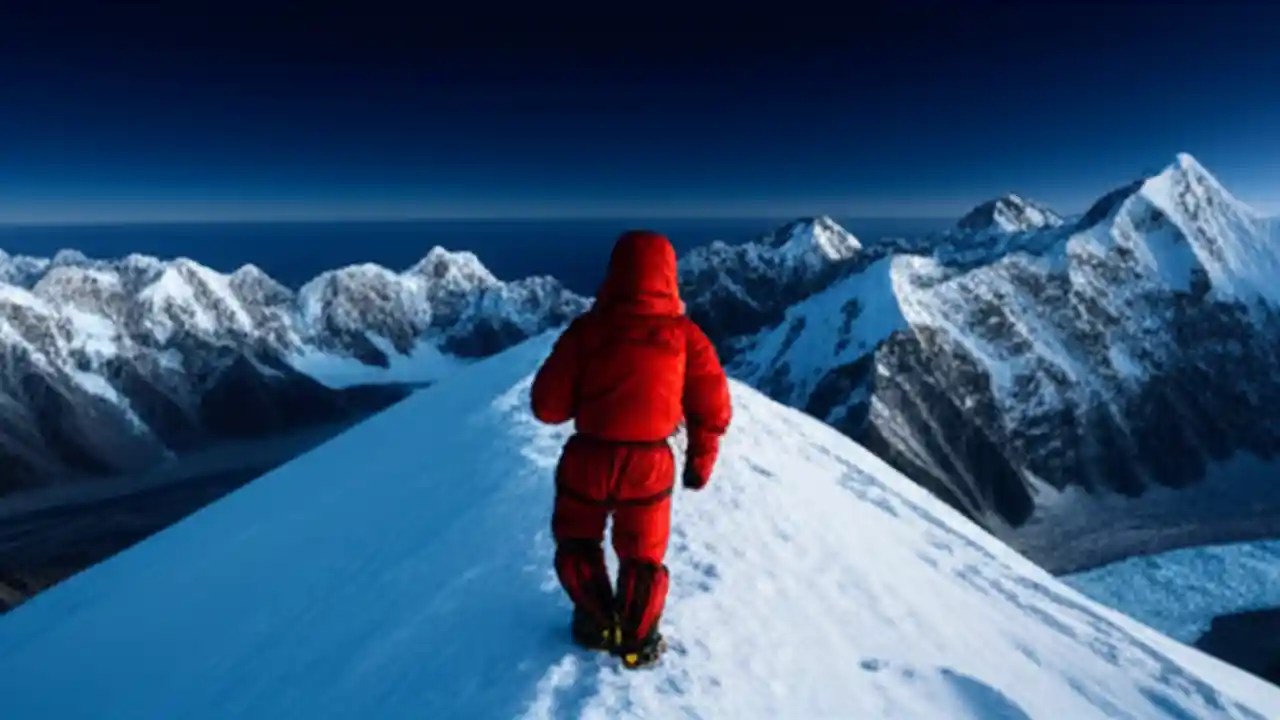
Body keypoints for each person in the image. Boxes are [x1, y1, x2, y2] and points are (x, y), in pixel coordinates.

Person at [530, 229, 732, 670]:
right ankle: (639, 642)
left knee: (578, 541)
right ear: (669, 277)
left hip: (588, 458)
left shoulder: (586, 331)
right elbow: (712, 405)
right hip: (649, 465)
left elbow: (547, 407)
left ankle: (596, 622)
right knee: (642, 556)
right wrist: (700, 460)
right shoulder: (686, 336)